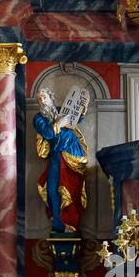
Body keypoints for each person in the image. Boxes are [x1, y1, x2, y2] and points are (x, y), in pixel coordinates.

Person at [34, 87, 88, 233]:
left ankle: (70, 223)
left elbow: (77, 118)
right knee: (52, 189)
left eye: (44, 96)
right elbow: (47, 132)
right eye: (39, 98)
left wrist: (83, 106)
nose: (41, 100)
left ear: (51, 97)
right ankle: (58, 223)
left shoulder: (60, 109)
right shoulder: (39, 118)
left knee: (72, 186)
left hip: (72, 150)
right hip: (57, 153)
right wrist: (59, 124)